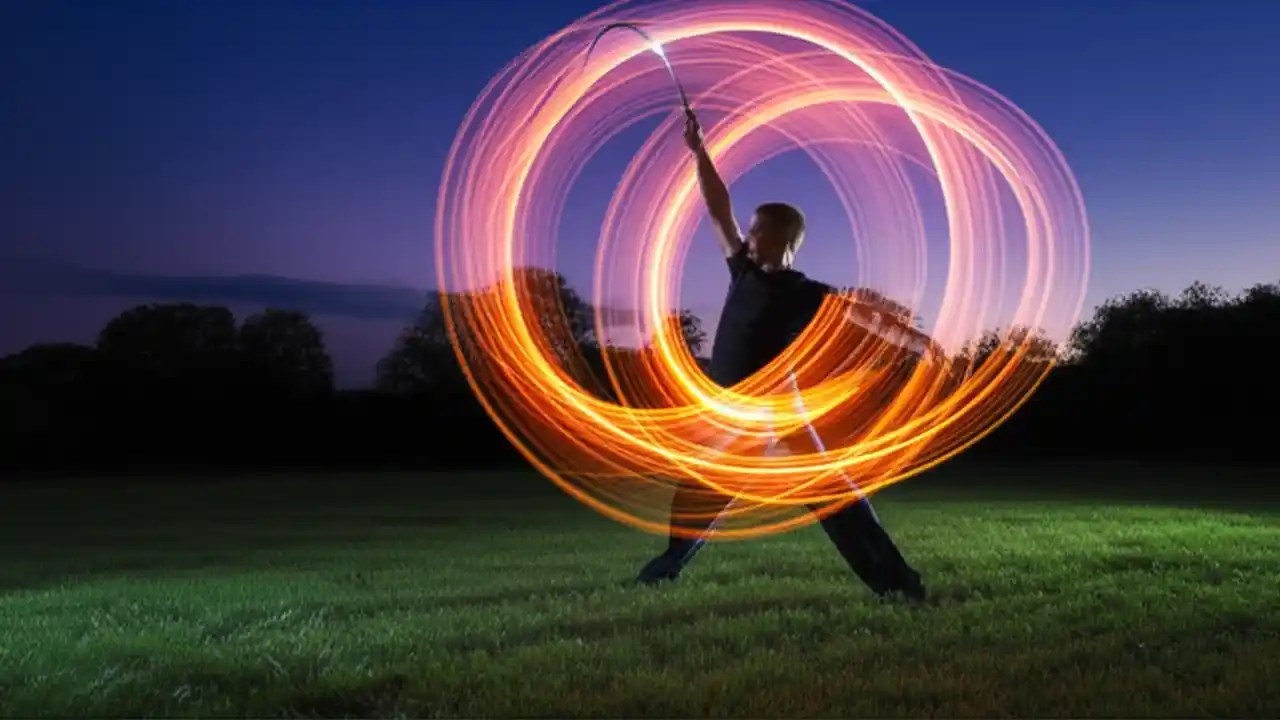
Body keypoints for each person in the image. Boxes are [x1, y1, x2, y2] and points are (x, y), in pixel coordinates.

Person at [633, 112, 927, 602]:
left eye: (757, 231)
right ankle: (663, 572)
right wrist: (699, 150)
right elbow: (716, 209)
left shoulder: (806, 291)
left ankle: (899, 584)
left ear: (783, 240)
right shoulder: (742, 271)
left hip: (775, 409)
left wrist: (913, 340)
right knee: (699, 495)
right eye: (748, 232)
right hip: (733, 409)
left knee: (836, 498)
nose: (746, 238)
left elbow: (864, 315)